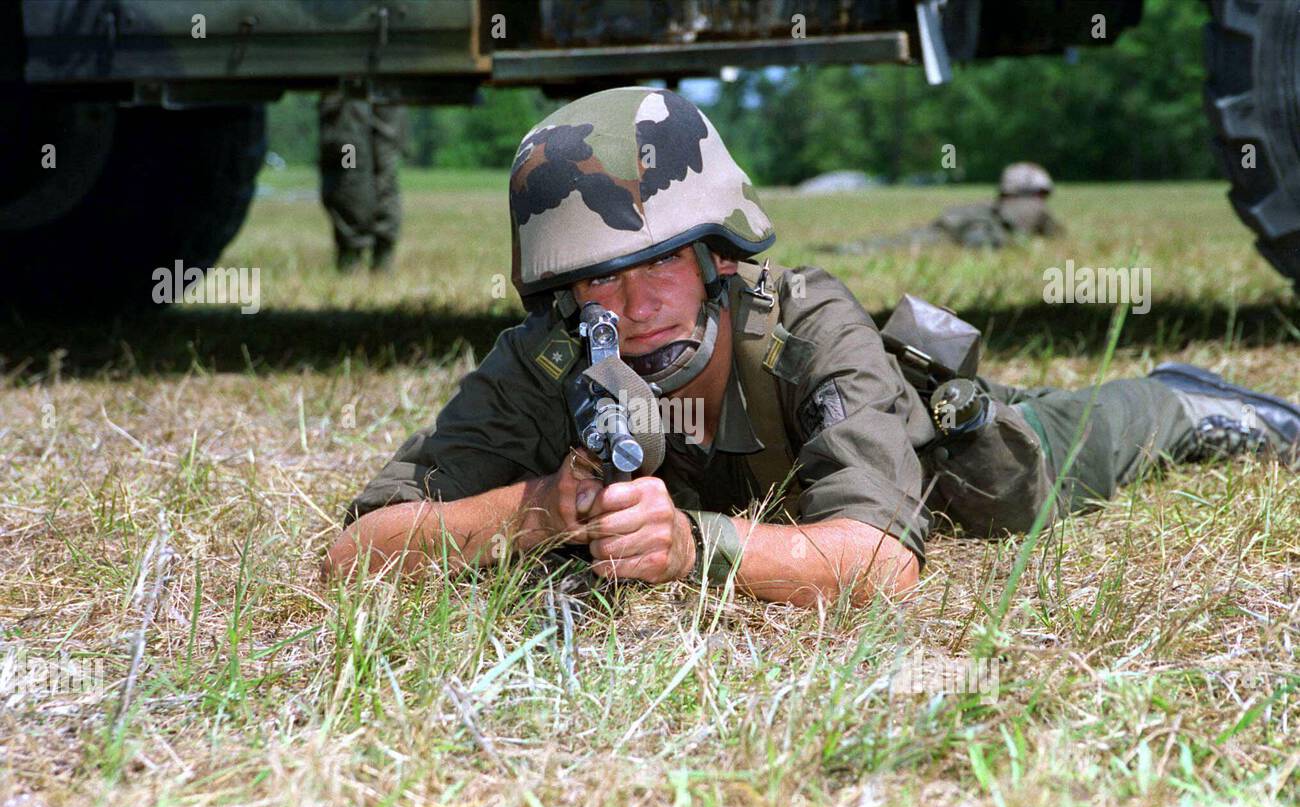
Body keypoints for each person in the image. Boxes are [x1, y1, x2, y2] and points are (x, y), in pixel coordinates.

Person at [323, 88, 1300, 608]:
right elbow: (353, 553)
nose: (633, 301)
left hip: (922, 432)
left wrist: (691, 547)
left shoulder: (801, 326)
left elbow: (882, 566)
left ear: (716, 253)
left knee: (1012, 478)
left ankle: (1176, 396)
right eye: (597, 280)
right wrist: (540, 510)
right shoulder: (544, 362)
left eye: (659, 263)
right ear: (558, 292)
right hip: (788, 460)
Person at [832, 161, 1064, 253]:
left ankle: (851, 248)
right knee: (895, 245)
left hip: (946, 228)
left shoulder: (996, 206)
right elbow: (1057, 235)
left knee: (894, 243)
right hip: (951, 232)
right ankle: (850, 249)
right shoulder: (1031, 208)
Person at [318, 91, 407, 272]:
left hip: (347, 77)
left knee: (349, 166)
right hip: (390, 79)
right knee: (382, 165)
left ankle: (352, 257)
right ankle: (382, 257)